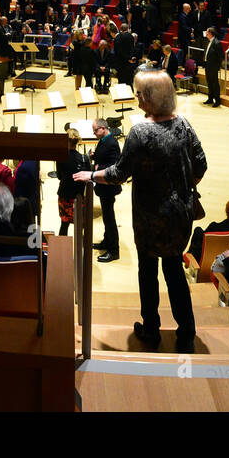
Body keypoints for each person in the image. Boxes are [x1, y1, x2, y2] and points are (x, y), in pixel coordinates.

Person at [74, 70, 208, 353]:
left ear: (150, 97)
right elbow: (201, 165)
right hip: (180, 216)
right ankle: (186, 335)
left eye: (139, 93)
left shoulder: (141, 132)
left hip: (150, 218)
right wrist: (180, 188)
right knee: (174, 273)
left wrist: (91, 175)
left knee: (148, 273)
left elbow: (120, 173)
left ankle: (151, 330)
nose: (136, 96)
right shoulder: (183, 124)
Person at [89, 119, 122, 262]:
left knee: (109, 218)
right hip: (103, 186)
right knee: (106, 217)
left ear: (103, 128)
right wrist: (93, 156)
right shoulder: (103, 140)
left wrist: (99, 168)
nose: (94, 133)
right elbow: (102, 156)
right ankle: (106, 242)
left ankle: (114, 250)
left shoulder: (112, 143)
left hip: (109, 186)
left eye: (95, 130)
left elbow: (114, 166)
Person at [202, 27, 223, 107]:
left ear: (211, 33)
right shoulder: (208, 42)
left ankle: (217, 100)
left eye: (207, 32)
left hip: (213, 67)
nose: (206, 33)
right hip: (208, 66)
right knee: (209, 83)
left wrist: (217, 67)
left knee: (215, 84)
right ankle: (210, 98)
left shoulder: (217, 43)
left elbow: (220, 57)